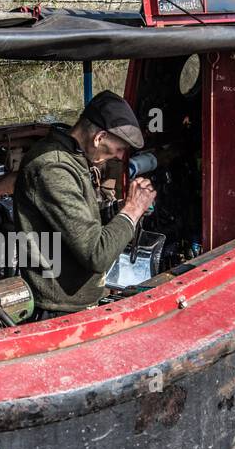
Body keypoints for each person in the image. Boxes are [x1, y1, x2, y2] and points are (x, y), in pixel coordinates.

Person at [14, 90, 157, 319]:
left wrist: (120, 209)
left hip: (79, 301)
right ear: (99, 137)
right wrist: (132, 211)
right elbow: (96, 254)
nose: (120, 157)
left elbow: (81, 220)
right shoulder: (53, 168)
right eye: (119, 148)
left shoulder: (75, 156)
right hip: (57, 310)